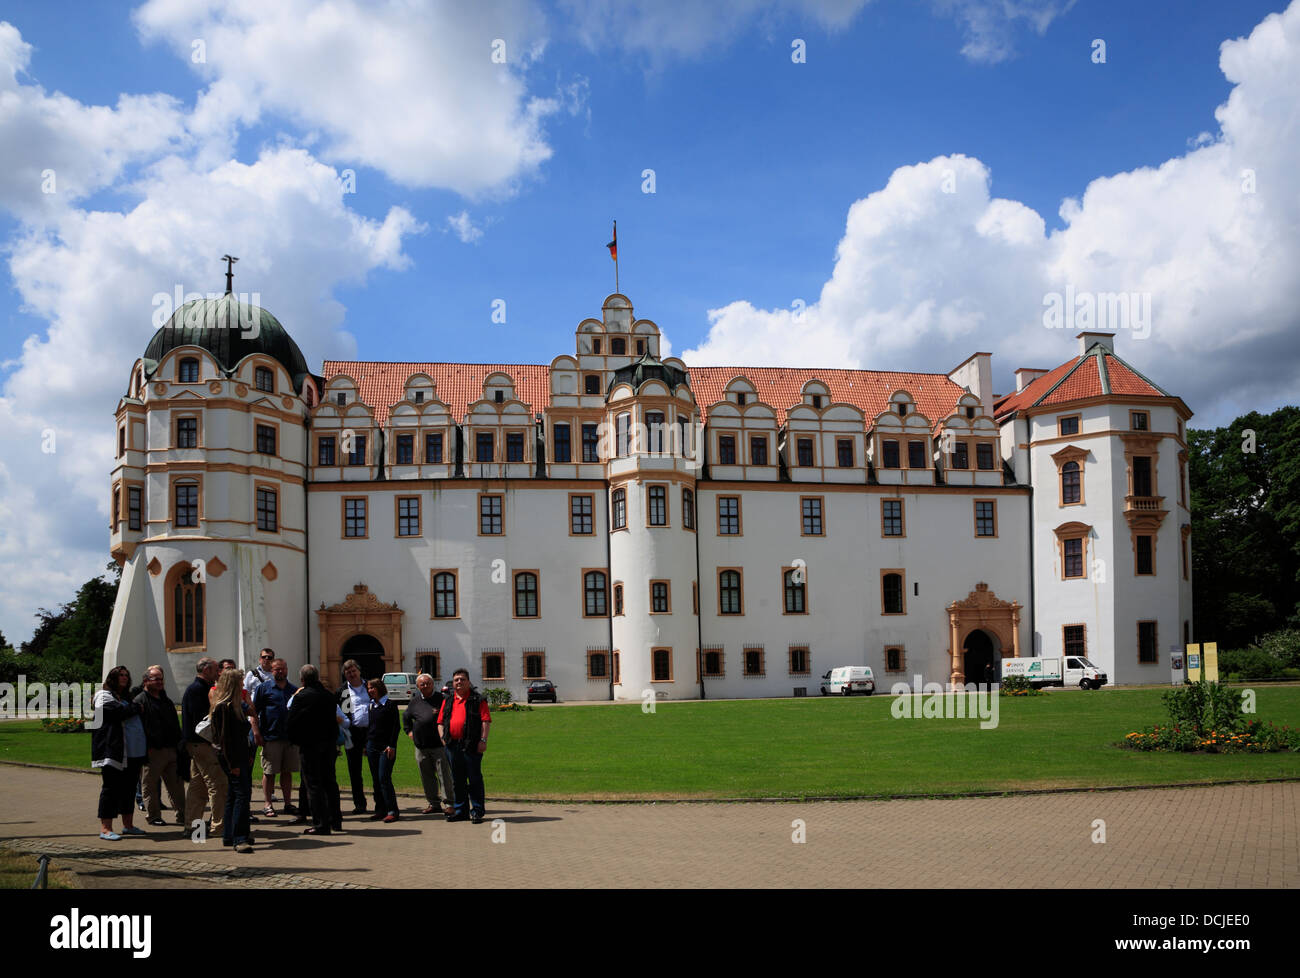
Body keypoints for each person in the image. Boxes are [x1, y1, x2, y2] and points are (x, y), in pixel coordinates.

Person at [286, 664, 344, 835]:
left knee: (314, 785)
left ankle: (321, 824)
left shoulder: (302, 697)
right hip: (328, 744)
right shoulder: (328, 695)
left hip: (310, 745)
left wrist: (295, 740)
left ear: (302, 680)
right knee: (330, 782)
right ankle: (336, 820)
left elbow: (291, 722)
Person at [92, 666, 147, 840]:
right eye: (120, 675)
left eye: (126, 675)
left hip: (131, 752)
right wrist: (136, 709)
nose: (124, 678)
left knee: (129, 790)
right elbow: (115, 712)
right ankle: (105, 828)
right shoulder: (103, 696)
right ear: (112, 678)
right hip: (112, 751)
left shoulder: (125, 697)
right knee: (110, 790)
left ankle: (128, 825)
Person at [133, 665, 185, 826]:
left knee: (176, 786)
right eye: (156, 679)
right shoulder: (140, 700)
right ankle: (154, 816)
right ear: (146, 681)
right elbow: (137, 728)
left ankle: (183, 815)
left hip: (171, 749)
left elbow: (175, 724)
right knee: (150, 786)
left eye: (161, 679)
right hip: (153, 751)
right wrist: (146, 747)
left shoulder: (166, 700)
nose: (160, 682)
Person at [437, 668, 491, 824]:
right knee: (457, 780)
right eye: (456, 680)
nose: (459, 682)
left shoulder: (477, 699)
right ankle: (461, 811)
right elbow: (440, 722)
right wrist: (442, 738)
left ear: (468, 682)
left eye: (462, 679)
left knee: (474, 779)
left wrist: (483, 740)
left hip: (472, 745)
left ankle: (477, 811)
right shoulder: (447, 700)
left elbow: (485, 721)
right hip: (452, 746)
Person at [210, 669, 254, 853]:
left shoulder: (235, 705)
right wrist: (233, 764)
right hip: (233, 758)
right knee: (241, 796)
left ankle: (229, 835)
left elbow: (252, 712)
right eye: (240, 682)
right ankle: (239, 837)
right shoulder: (224, 707)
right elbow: (225, 740)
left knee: (234, 795)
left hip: (239, 755)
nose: (243, 684)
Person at [182, 657, 226, 837]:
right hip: (201, 744)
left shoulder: (197, 689)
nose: (218, 673)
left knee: (198, 786)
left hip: (196, 744)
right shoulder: (198, 690)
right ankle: (219, 827)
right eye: (216, 669)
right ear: (206, 670)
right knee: (218, 784)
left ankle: (192, 826)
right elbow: (202, 721)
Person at [253, 658, 299, 818]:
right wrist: (256, 732)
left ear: (287, 669)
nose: (280, 672)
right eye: (277, 669)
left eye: (283, 669)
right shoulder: (263, 689)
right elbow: (253, 713)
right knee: (269, 772)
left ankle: (288, 803)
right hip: (270, 737)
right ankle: (267, 804)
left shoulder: (294, 690)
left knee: (287, 771)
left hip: (290, 737)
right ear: (271, 671)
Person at [403, 674, 454, 818]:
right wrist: (410, 732)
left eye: (427, 683)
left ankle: (449, 804)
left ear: (433, 684)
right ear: (418, 686)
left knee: (444, 776)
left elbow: (449, 718)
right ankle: (433, 803)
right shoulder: (414, 702)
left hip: (439, 746)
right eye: (422, 684)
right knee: (426, 777)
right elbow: (406, 718)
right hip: (421, 746)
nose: (425, 686)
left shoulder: (442, 699)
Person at [336, 660, 371, 814]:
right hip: (352, 733)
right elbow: (339, 714)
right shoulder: (342, 691)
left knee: (377, 769)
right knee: (354, 771)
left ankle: (382, 804)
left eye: (353, 670)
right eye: (347, 672)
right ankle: (360, 804)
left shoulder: (370, 687)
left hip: (371, 732)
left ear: (359, 671)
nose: (351, 674)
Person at [365, 679, 400, 823]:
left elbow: (395, 727)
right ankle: (380, 809)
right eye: (368, 688)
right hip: (372, 746)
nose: (370, 690)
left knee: (384, 778)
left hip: (386, 748)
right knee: (375, 780)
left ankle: (393, 810)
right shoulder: (371, 705)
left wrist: (392, 745)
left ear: (379, 688)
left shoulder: (390, 705)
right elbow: (370, 727)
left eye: (372, 687)